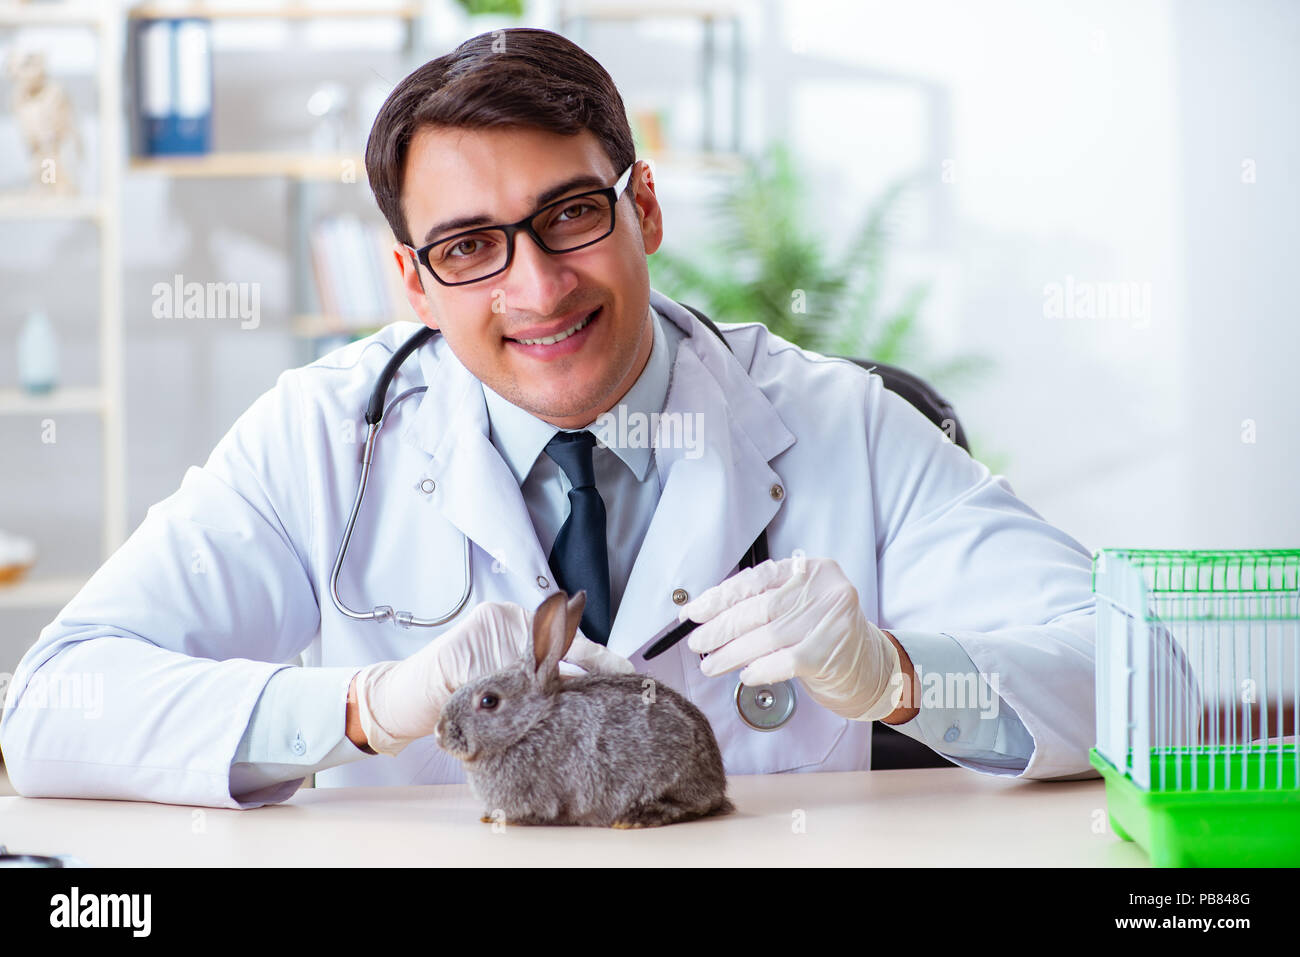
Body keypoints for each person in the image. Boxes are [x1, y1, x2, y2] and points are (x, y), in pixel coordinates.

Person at [1, 28, 1102, 810]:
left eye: (570, 216)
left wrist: (897, 673)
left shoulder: (843, 425)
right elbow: (52, 706)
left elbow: (1145, 680)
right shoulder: (320, 437)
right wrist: (361, 709)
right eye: (469, 246)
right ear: (413, 284)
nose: (536, 289)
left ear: (646, 209)